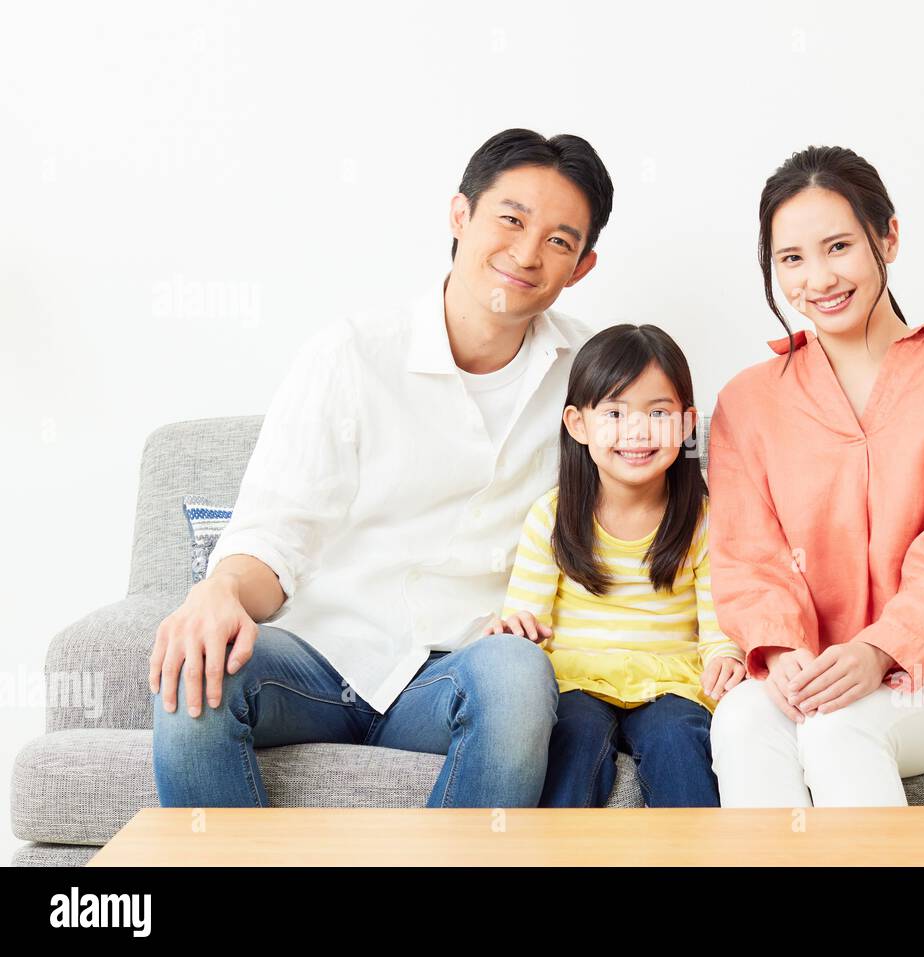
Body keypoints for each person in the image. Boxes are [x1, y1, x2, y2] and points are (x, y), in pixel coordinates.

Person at [149, 128, 613, 808]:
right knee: (198, 669)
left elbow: (636, 521)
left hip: (462, 671)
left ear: (582, 266)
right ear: (461, 215)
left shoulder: (594, 375)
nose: (526, 252)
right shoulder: (352, 356)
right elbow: (274, 536)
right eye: (511, 219)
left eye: (558, 240)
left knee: (517, 672)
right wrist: (218, 589)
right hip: (324, 657)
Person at [707, 145, 924, 807]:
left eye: (838, 246)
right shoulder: (746, 403)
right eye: (791, 258)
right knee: (741, 717)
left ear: (888, 238)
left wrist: (880, 649)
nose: (818, 277)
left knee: (837, 731)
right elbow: (746, 557)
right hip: (805, 667)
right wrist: (781, 652)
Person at [486, 324, 746, 807]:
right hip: (577, 678)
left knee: (680, 739)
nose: (637, 431)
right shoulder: (553, 515)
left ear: (689, 424)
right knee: (573, 738)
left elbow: (717, 629)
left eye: (659, 412)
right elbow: (529, 620)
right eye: (614, 412)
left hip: (672, 681)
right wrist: (515, 631)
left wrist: (726, 659)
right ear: (578, 424)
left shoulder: (706, 520)